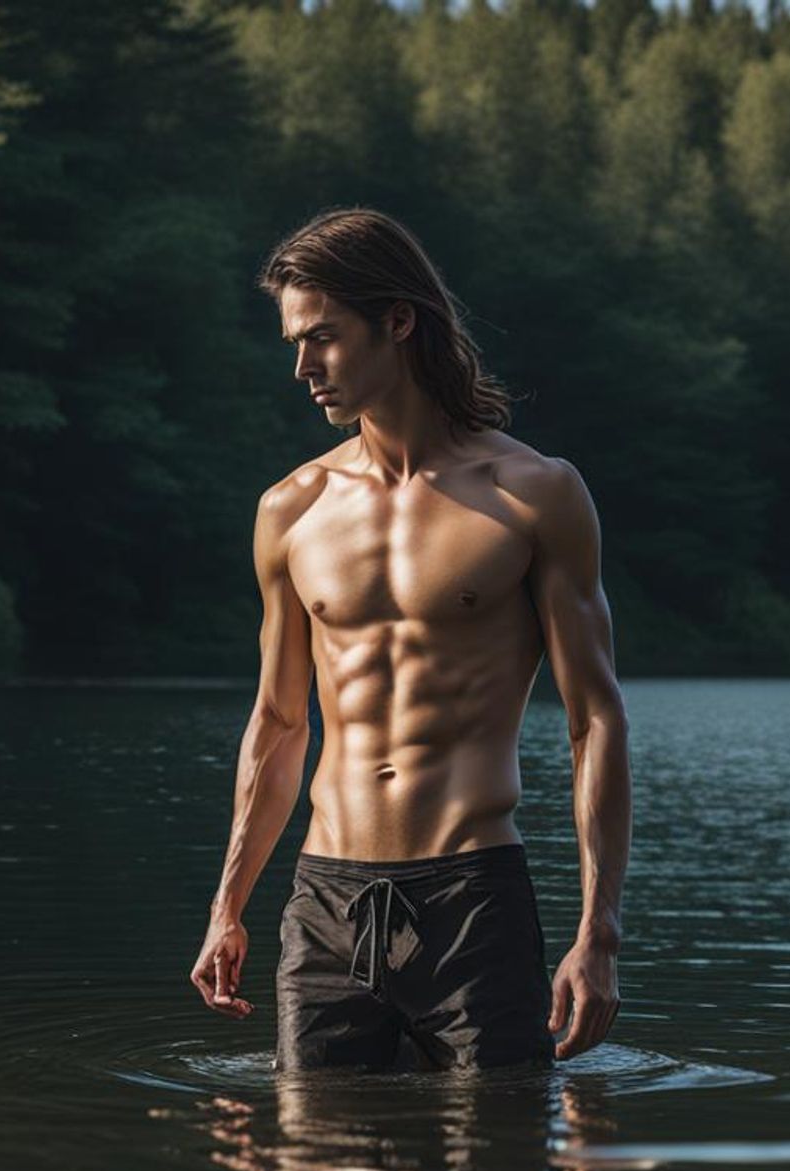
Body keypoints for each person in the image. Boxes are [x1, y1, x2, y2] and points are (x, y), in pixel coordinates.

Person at [188, 206, 631, 1067]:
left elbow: (595, 721)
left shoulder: (534, 493)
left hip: (473, 897)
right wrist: (227, 906)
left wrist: (599, 933)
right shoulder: (291, 509)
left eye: (323, 338)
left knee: (496, 1151)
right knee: (311, 1150)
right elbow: (279, 722)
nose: (303, 368)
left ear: (397, 321)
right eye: (294, 343)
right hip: (326, 900)